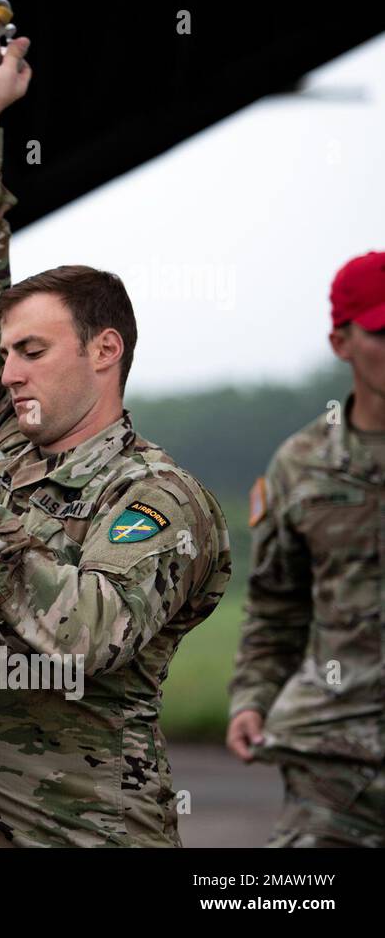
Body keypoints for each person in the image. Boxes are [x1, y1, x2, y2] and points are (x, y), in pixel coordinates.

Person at [0, 37, 231, 846]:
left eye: (31, 353)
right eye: (5, 356)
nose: (5, 374)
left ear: (104, 352)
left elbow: (87, 635)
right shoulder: (10, 446)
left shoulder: (159, 498)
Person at [227, 251, 385, 847]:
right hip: (334, 756)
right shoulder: (301, 465)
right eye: (382, 332)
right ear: (342, 343)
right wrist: (254, 697)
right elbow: (275, 602)